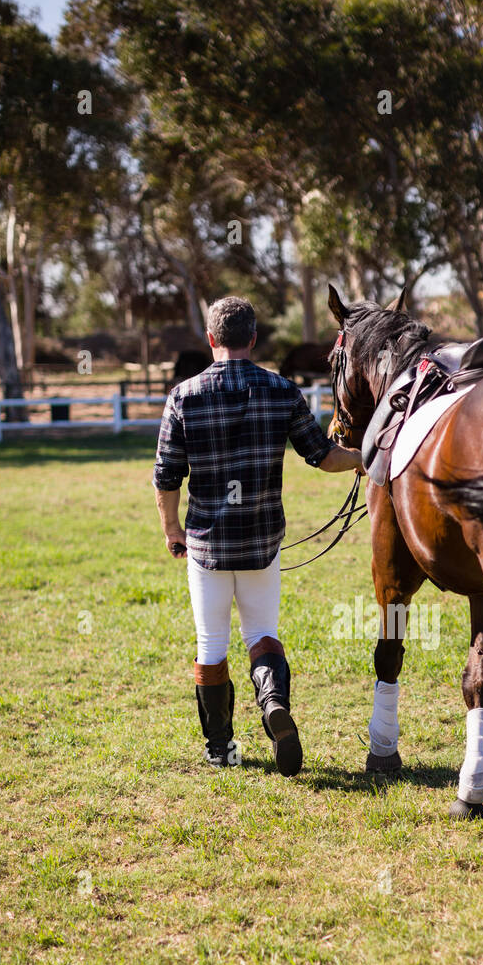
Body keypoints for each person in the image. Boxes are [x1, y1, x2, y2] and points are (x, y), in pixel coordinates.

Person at [153, 296, 364, 775]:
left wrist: (172, 529)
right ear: (253, 339)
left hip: (206, 544)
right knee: (262, 635)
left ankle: (221, 749)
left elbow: (167, 476)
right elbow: (323, 455)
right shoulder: (282, 390)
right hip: (262, 542)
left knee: (211, 645)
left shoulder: (183, 396)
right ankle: (272, 705)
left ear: (211, 340)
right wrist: (364, 459)